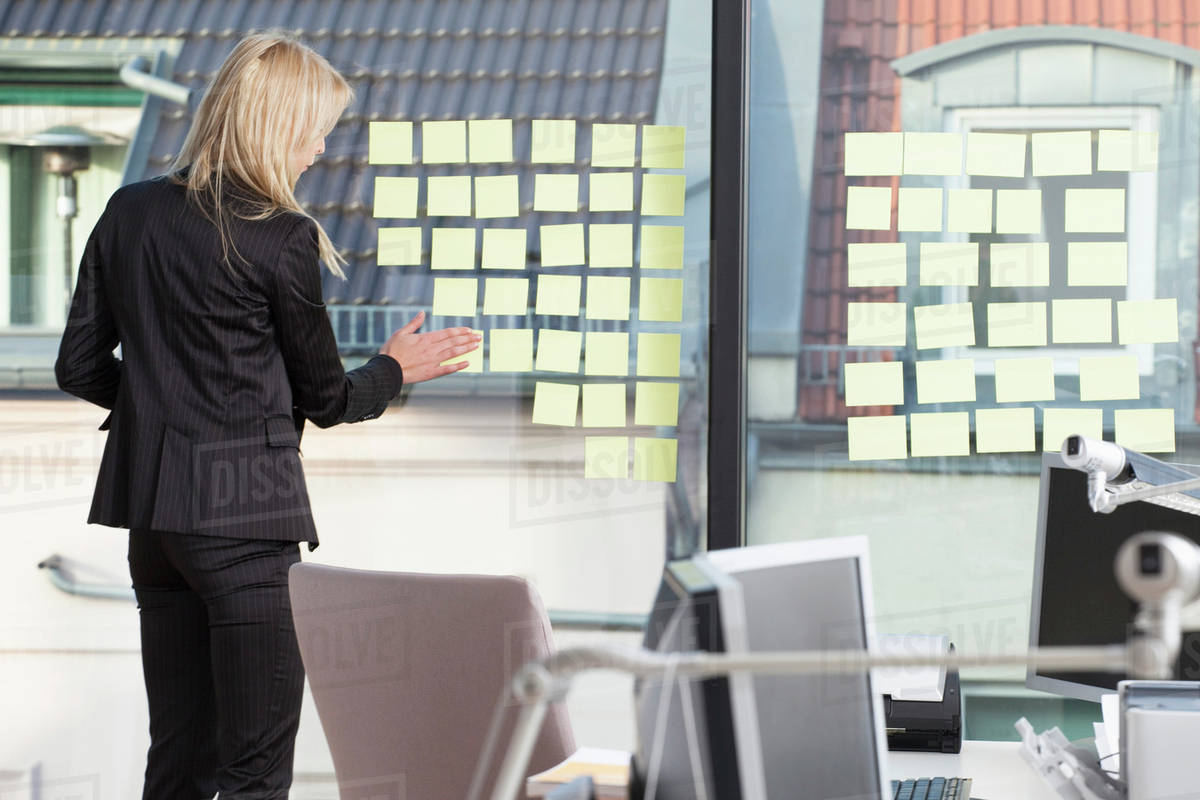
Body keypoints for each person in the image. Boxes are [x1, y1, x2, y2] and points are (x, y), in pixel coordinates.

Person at [53, 32, 478, 799]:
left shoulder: (128, 211)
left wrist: (167, 412)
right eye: (314, 128)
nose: (319, 148)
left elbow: (78, 366)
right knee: (254, 774)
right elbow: (329, 400)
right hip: (245, 531)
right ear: (277, 124)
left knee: (178, 764)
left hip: (157, 529)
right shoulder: (282, 240)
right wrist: (395, 368)